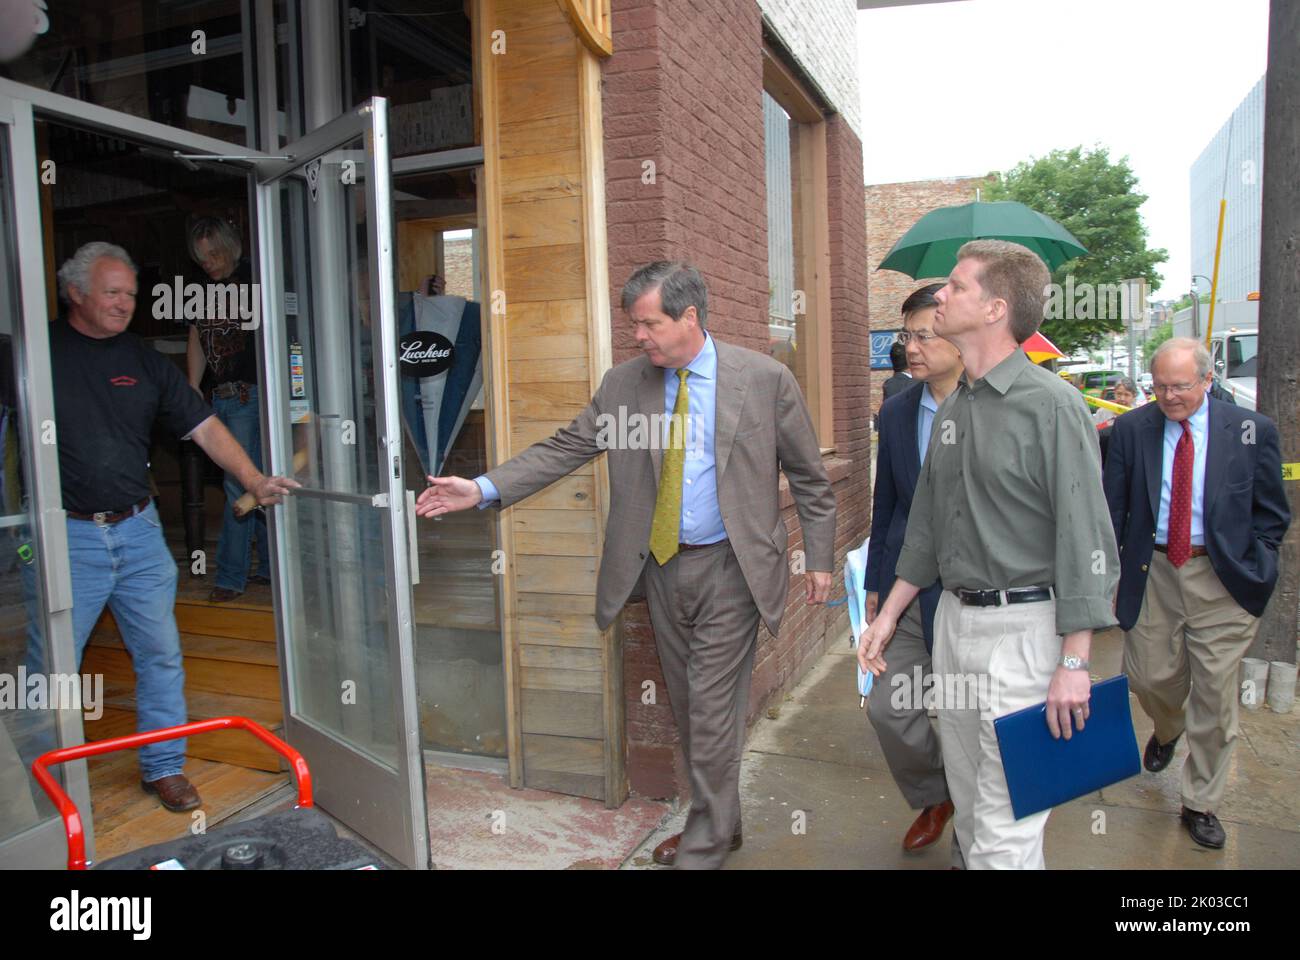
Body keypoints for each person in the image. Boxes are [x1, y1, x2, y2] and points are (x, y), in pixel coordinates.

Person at [416, 261, 836, 869]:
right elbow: (566, 446)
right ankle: (723, 821)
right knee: (691, 704)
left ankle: (706, 845)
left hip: (734, 568)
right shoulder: (625, 386)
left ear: (689, 317)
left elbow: (809, 476)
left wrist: (818, 558)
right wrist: (481, 487)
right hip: (661, 568)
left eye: (649, 324)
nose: (638, 336)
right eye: (634, 324)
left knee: (712, 706)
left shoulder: (764, 379)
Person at [858, 240, 1119, 870]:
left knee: (1007, 826)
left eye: (956, 286)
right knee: (973, 809)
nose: (940, 296)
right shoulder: (956, 407)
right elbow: (925, 524)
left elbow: (1087, 539)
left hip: (1025, 634)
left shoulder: (1051, 405)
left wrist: (1075, 662)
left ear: (996, 308)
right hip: (952, 623)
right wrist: (889, 615)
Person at [44, 242, 298, 811]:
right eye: (112, 293)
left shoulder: (142, 360)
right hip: (67, 537)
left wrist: (255, 480)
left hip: (138, 533)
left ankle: (163, 766)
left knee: (160, 654)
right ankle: (45, 780)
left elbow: (205, 425)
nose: (124, 304)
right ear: (76, 293)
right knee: (53, 664)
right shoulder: (40, 353)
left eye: (131, 294)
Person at [1102, 337, 1290, 849]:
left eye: (1180, 386)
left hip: (1222, 579)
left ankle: (1200, 801)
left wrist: (1260, 565)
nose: (1169, 397)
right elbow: (1112, 506)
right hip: (1153, 570)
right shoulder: (1131, 429)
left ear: (1208, 381)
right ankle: (1168, 729)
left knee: (1214, 693)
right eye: (1160, 386)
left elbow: (1272, 512)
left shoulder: (1251, 432)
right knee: (1146, 677)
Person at [864, 283, 961, 861]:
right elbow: (889, 504)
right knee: (888, 707)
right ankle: (935, 794)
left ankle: (975, 828)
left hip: (975, 594)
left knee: (964, 714)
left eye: (924, 334)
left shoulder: (990, 405)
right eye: (907, 336)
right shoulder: (898, 411)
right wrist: (877, 587)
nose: (912, 348)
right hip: (908, 586)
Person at [185, 217, 269, 603]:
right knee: (254, 479)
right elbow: (198, 339)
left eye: (214, 254)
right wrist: (191, 385)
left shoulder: (259, 275)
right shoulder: (200, 291)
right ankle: (268, 567)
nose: (209, 263)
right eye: (202, 258)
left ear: (230, 247)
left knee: (241, 482)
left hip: (254, 392)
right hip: (222, 394)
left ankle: (232, 577)